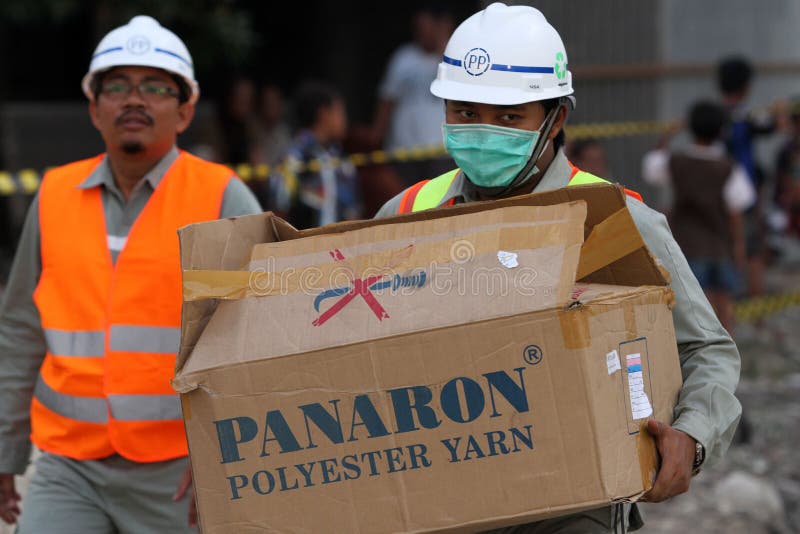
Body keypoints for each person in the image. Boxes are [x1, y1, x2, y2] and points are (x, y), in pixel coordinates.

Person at [375, 4, 741, 531]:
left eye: (507, 118)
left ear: (556, 117)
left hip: (574, 506)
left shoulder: (612, 220)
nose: (482, 132)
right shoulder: (406, 215)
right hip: (438, 504)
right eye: (464, 112)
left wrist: (693, 434)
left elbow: (706, 347)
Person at [0, 15, 261, 532]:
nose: (133, 100)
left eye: (154, 88)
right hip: (67, 465)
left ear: (185, 109)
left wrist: (229, 457)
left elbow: (256, 335)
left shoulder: (220, 197)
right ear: (94, 108)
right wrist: (6, 453)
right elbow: (21, 327)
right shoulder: (54, 195)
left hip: (178, 470)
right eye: (116, 86)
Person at [642, 101, 755, 332]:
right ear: (722, 131)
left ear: (690, 128)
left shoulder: (676, 161)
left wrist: (667, 136)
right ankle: (727, 355)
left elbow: (651, 168)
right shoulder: (728, 167)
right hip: (720, 246)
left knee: (694, 306)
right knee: (724, 305)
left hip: (686, 247)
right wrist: (739, 247)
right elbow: (737, 209)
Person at [716, 56, 784, 296]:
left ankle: (725, 300)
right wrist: (779, 113)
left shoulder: (713, 115)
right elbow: (774, 126)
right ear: (746, 87)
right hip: (745, 191)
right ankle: (754, 299)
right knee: (752, 246)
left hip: (717, 191)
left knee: (723, 244)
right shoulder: (748, 116)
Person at [372, 3, 455, 185]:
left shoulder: (452, 57)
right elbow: (387, 100)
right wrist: (376, 137)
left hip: (440, 151)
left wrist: (444, 41)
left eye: (428, 27)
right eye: (419, 28)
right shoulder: (403, 58)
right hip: (404, 150)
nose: (423, 33)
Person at [268, 81, 361, 229]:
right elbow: (280, 210)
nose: (345, 120)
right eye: (340, 112)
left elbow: (354, 212)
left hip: (342, 249)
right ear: (323, 114)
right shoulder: (295, 157)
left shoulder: (341, 160)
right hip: (303, 249)